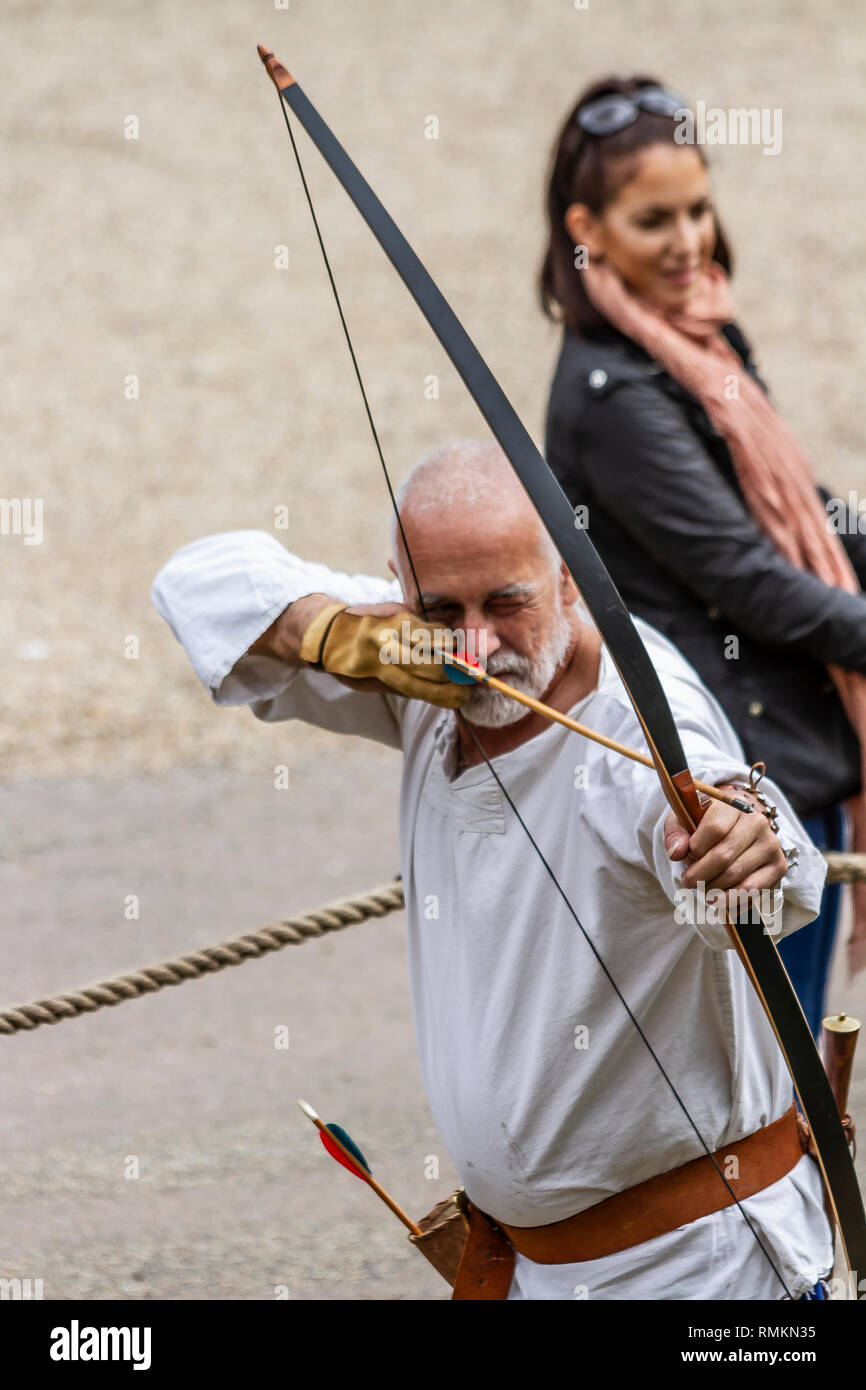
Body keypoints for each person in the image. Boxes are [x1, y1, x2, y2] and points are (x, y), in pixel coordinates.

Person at [152, 440, 832, 1300]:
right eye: (442, 608)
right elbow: (198, 577)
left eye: (508, 602)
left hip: (704, 1275)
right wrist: (332, 634)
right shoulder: (422, 664)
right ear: (401, 590)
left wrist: (746, 836)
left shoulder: (635, 732)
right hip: (539, 1275)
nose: (477, 643)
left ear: (569, 580)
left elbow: (737, 842)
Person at [540, 78, 866, 1033]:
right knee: (773, 1068)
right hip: (745, 786)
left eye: (697, 208)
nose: (688, 241)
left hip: (794, 766)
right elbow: (748, 582)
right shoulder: (612, 398)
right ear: (586, 228)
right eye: (654, 220)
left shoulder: (699, 341)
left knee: (796, 1058)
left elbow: (802, 510)